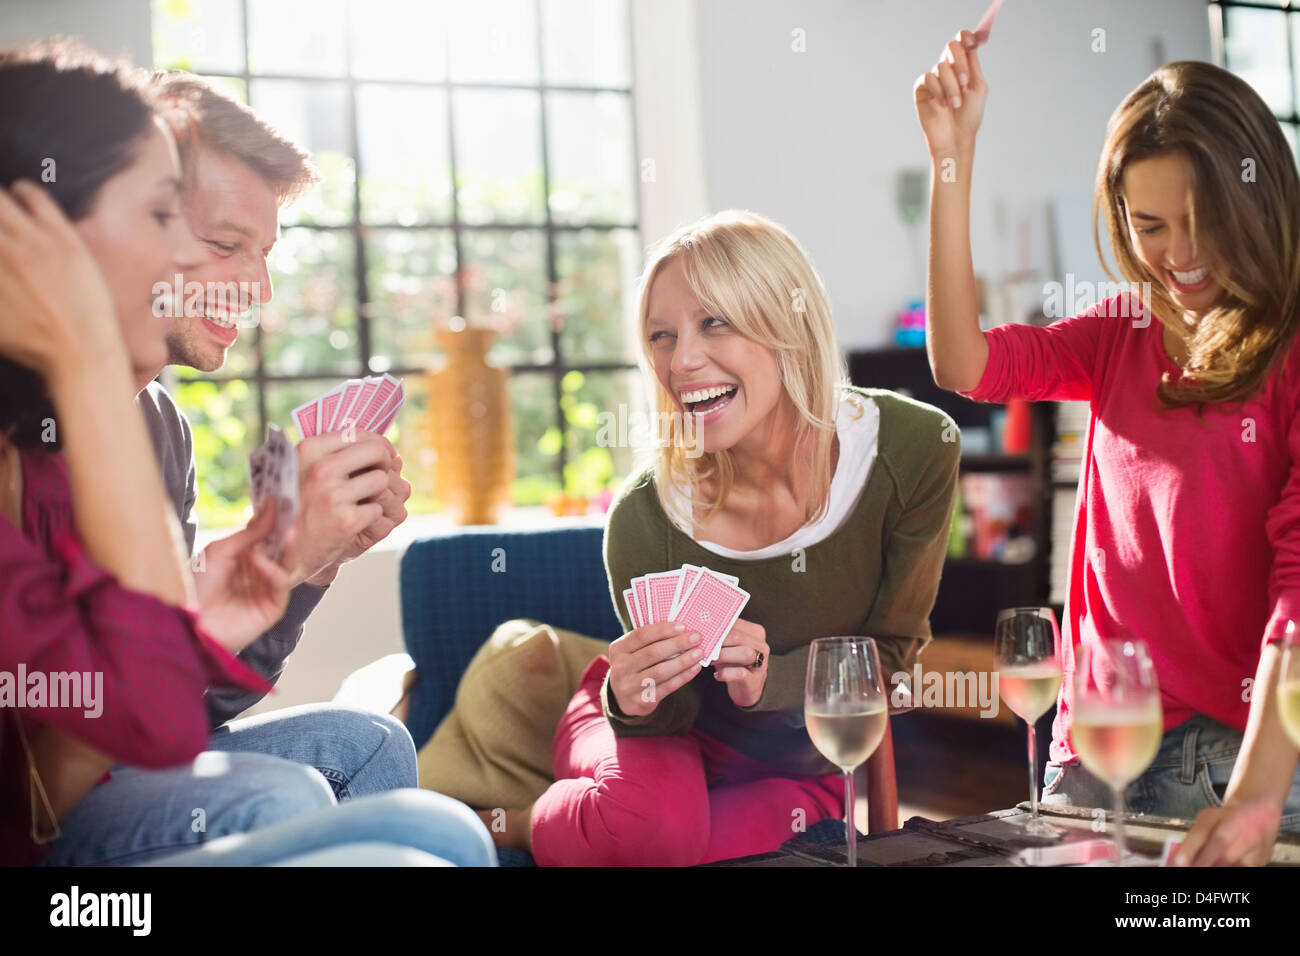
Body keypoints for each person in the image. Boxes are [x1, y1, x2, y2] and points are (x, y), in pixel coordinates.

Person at [0, 40, 494, 867]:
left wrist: (303, 564)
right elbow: (47, 785)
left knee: (382, 759)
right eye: (218, 243)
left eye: (263, 254)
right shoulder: (34, 444)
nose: (256, 292)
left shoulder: (156, 425)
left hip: (97, 770)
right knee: (283, 795)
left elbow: (190, 709)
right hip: (57, 803)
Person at [914, 29, 1300, 865]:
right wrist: (954, 156)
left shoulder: (1292, 352)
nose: (1179, 258)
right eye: (1150, 225)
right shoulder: (1125, 330)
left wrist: (1259, 798)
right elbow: (963, 362)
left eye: (1201, 223)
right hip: (1100, 746)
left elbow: (1297, 602)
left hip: (1243, 755)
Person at [482, 210, 959, 866]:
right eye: (660, 335)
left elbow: (894, 661)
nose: (681, 361)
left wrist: (774, 680)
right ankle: (523, 820)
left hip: (792, 768)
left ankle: (605, 826)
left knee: (701, 850)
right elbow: (664, 715)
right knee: (656, 827)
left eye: (715, 323)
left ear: (788, 323)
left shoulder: (911, 452)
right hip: (649, 729)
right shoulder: (648, 518)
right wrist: (635, 697)